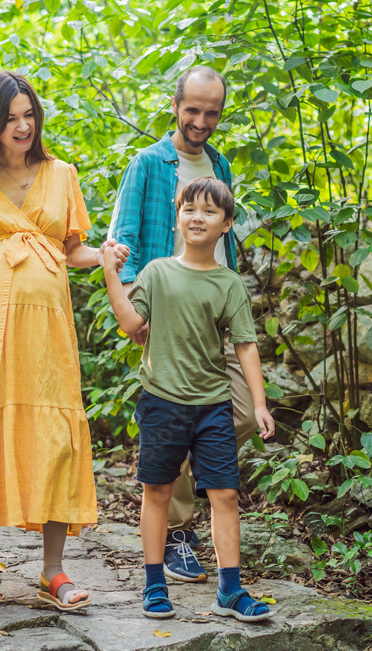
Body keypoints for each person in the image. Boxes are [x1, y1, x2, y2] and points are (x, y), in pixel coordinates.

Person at [0, 71, 128, 607]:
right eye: (10, 117)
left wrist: (104, 257)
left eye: (28, 115)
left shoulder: (61, 174)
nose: (22, 126)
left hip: (45, 333)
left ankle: (53, 571)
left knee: (53, 437)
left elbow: (69, 249)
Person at [107, 65, 256, 583]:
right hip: (161, 313)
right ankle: (174, 531)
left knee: (238, 410)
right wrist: (132, 309)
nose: (201, 121)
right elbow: (122, 243)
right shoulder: (148, 165)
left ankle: (180, 509)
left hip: (211, 313)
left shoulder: (219, 164)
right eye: (192, 110)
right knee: (174, 416)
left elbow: (227, 243)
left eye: (211, 113)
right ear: (175, 106)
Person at [103, 177, 276, 622]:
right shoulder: (157, 272)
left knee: (225, 495)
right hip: (162, 402)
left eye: (210, 211)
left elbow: (245, 347)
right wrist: (109, 269)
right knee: (157, 491)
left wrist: (258, 403)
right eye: (189, 209)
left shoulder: (229, 283)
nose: (197, 217)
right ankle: (155, 585)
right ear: (177, 218)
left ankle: (231, 591)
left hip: (213, 405)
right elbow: (128, 321)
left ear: (226, 224)